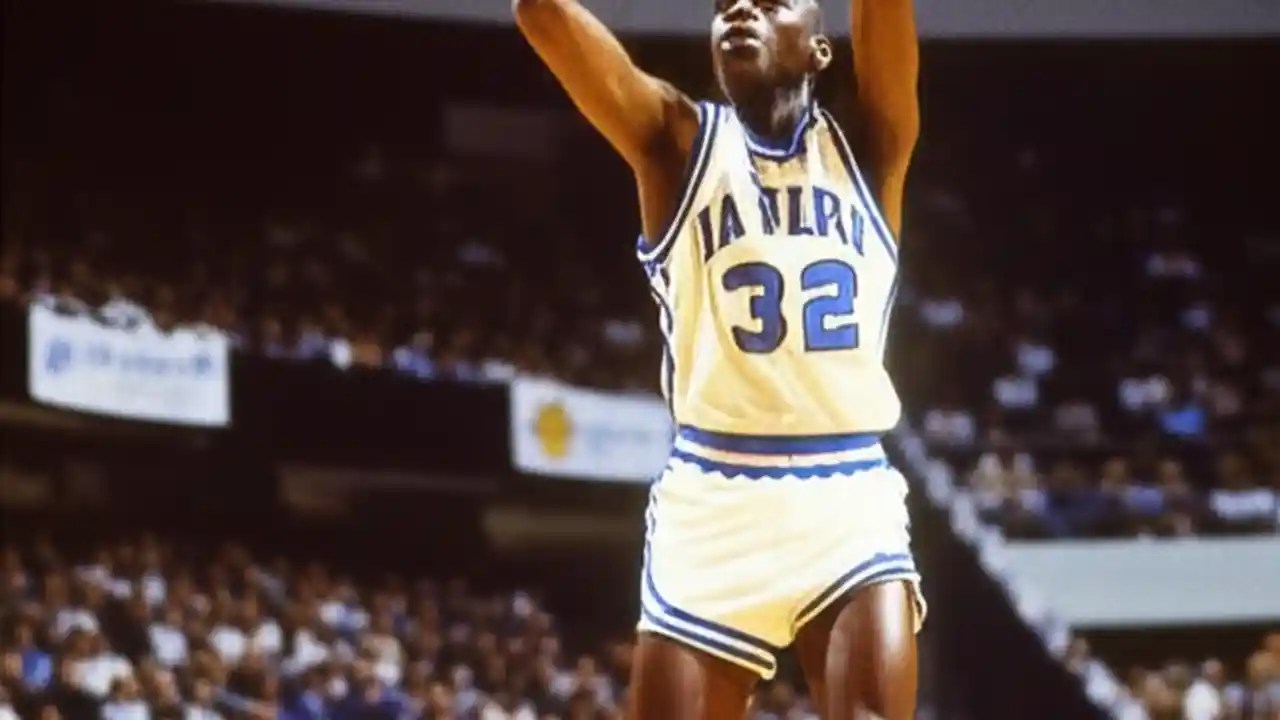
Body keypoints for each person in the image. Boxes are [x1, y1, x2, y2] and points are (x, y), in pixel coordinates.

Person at [513, 0, 923, 718]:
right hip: (714, 496)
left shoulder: (869, 144)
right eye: (726, 2)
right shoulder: (676, 141)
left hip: (847, 491)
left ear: (820, 50)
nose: (740, 8)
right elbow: (539, 15)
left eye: (771, 2)